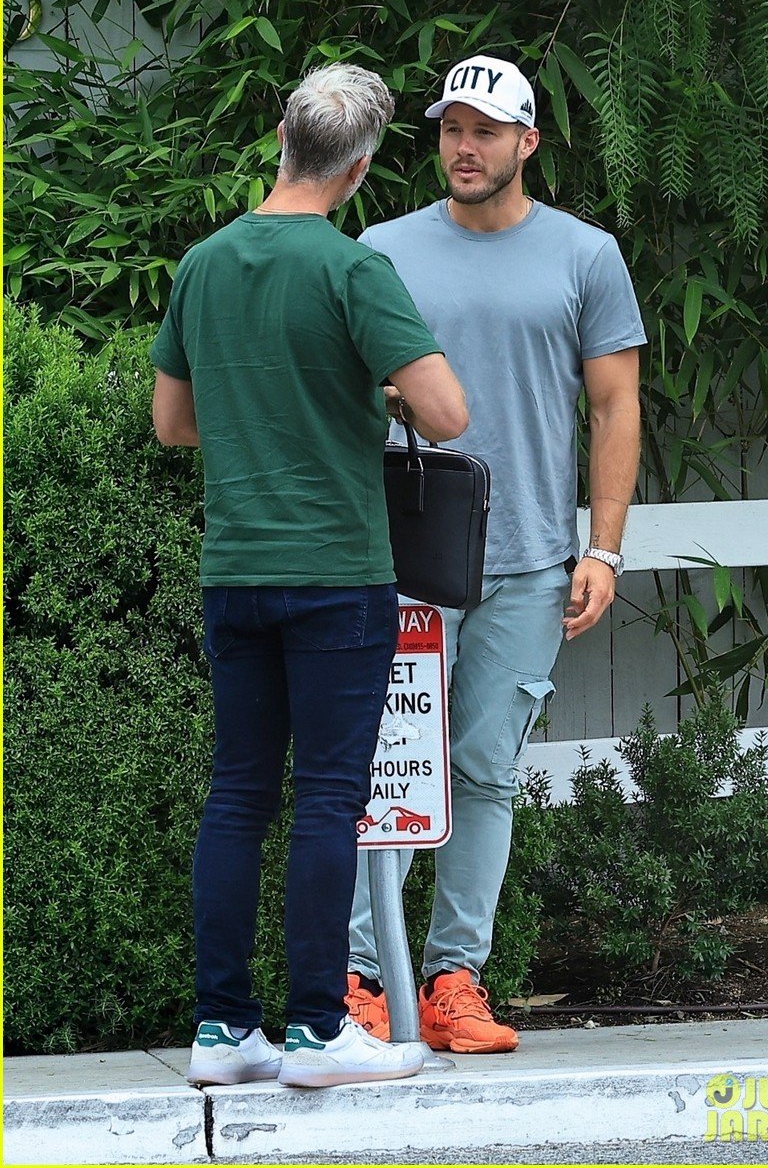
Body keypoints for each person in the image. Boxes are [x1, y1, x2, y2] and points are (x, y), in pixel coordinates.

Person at [150, 63, 468, 1088]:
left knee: (237, 794)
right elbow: (448, 412)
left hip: (234, 568)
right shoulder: (350, 270)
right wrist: (373, 391)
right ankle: (317, 1032)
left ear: (282, 140)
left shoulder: (201, 263)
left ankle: (219, 1032)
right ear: (361, 167)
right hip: (336, 568)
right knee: (330, 796)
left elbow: (172, 425)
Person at [345, 55, 646, 1053]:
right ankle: (360, 980)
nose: (463, 148)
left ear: (526, 142)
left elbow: (613, 404)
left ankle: (450, 980)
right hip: (395, 555)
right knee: (378, 764)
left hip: (524, 559)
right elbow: (335, 385)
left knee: (480, 771)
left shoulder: (583, 255)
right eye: (448, 129)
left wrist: (600, 546)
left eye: (483, 130)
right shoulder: (377, 248)